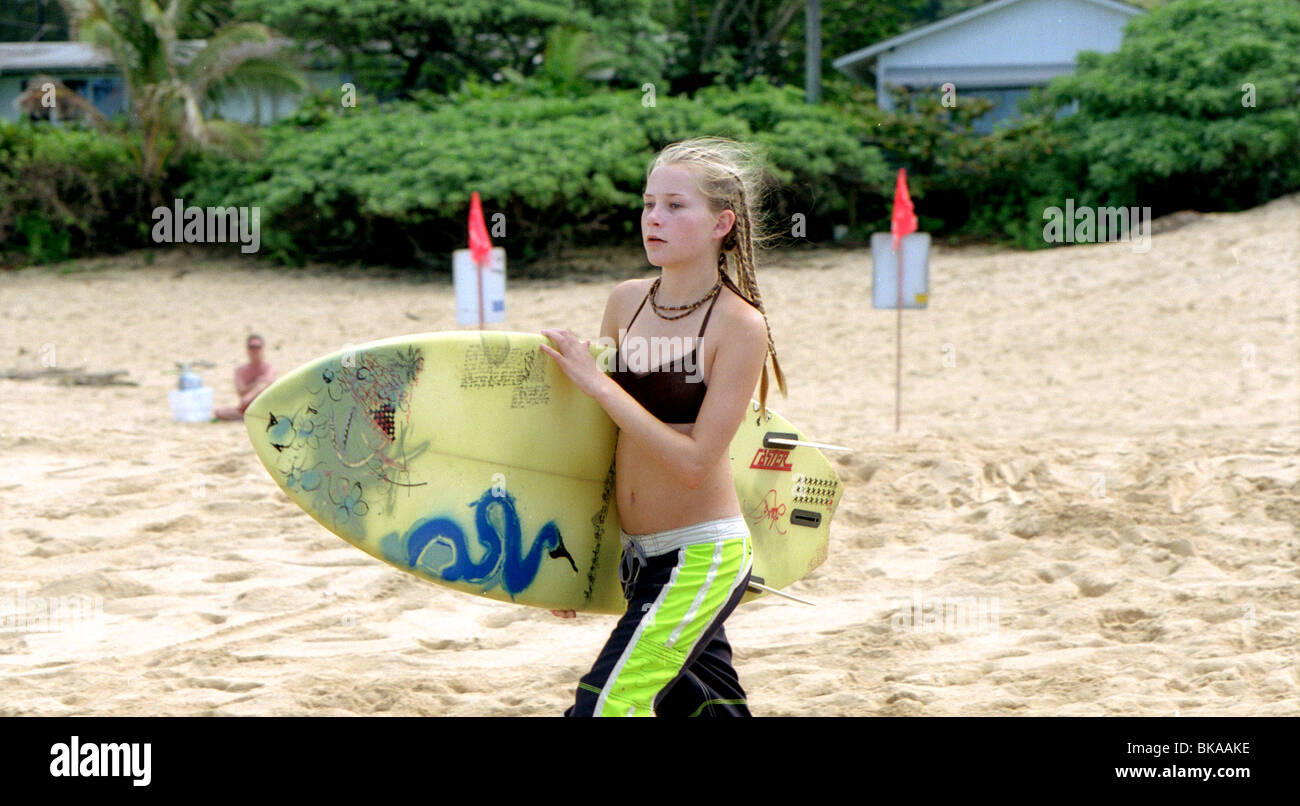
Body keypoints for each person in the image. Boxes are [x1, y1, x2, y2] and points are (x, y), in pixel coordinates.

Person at [539, 136, 788, 717]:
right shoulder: (625, 302)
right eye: (650, 204)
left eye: (676, 206)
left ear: (722, 223)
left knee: (606, 706)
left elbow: (695, 461)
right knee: (706, 710)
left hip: (699, 555)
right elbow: (602, 444)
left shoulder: (739, 326)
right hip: (635, 556)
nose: (655, 218)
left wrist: (598, 384)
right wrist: (578, 560)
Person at [213, 334, 277, 421]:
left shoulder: (269, 368)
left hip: (265, 407)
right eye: (252, 347)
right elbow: (241, 390)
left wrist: (250, 394)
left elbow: (265, 384)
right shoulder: (240, 371)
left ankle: (251, 418)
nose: (255, 350)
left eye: (257, 347)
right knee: (219, 412)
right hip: (246, 408)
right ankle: (247, 418)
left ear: (262, 349)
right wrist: (256, 383)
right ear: (247, 350)